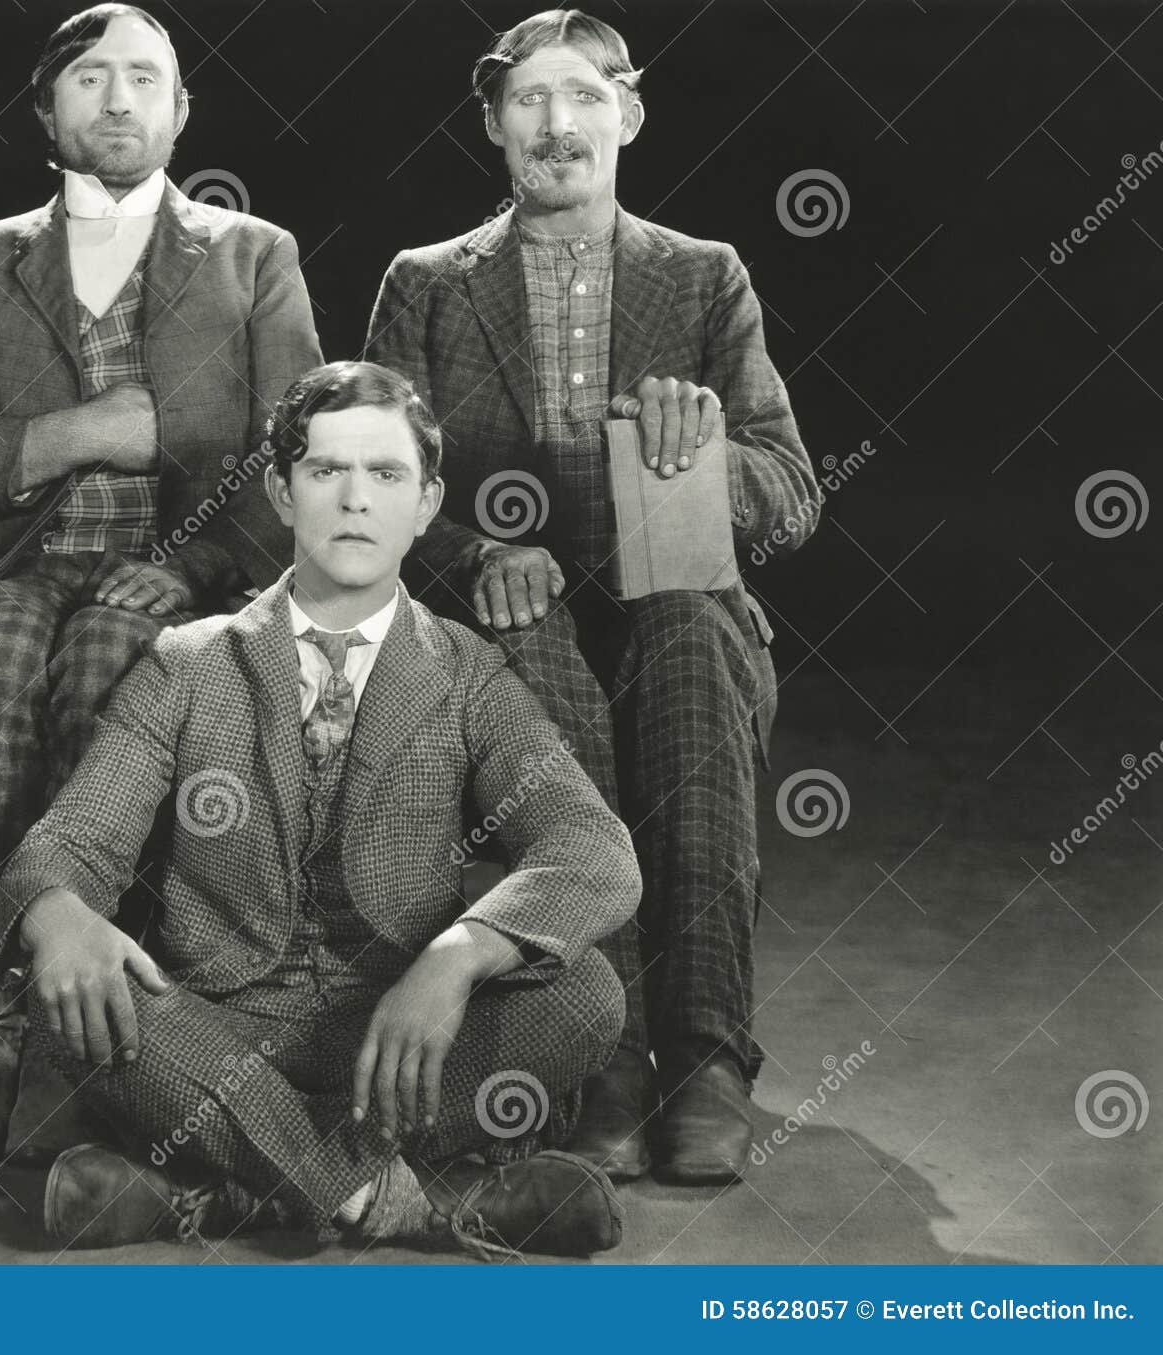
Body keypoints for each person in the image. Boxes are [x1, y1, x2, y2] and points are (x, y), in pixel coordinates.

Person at [0, 362, 638, 1257]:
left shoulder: (467, 672)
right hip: (213, 1032)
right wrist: (57, 910)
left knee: (588, 997)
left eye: (386, 474)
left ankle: (216, 1194)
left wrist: (458, 955)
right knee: (63, 987)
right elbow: (71, 839)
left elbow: (592, 844)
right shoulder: (186, 663)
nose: (356, 501)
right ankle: (418, 1202)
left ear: (426, 502)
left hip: (396, 1036)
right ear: (281, 492)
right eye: (327, 470)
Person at [0, 3, 322, 1162]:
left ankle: (93, 1030)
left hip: (177, 573)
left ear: (180, 110)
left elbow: (297, 453)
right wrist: (83, 432)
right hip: (18, 566)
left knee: (101, 688)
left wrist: (193, 564)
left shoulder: (252, 255)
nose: (117, 100)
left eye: (144, 78)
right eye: (90, 79)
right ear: (45, 107)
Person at [366, 9, 821, 1184]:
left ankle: (707, 1057)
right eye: (528, 100)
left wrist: (706, 463)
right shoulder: (424, 286)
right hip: (511, 612)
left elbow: (792, 493)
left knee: (685, 648)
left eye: (581, 97)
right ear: (491, 123)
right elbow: (374, 482)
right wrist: (469, 554)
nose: (556, 124)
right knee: (546, 675)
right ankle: (606, 1055)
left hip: (672, 601)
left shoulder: (704, 277)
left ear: (628, 113)